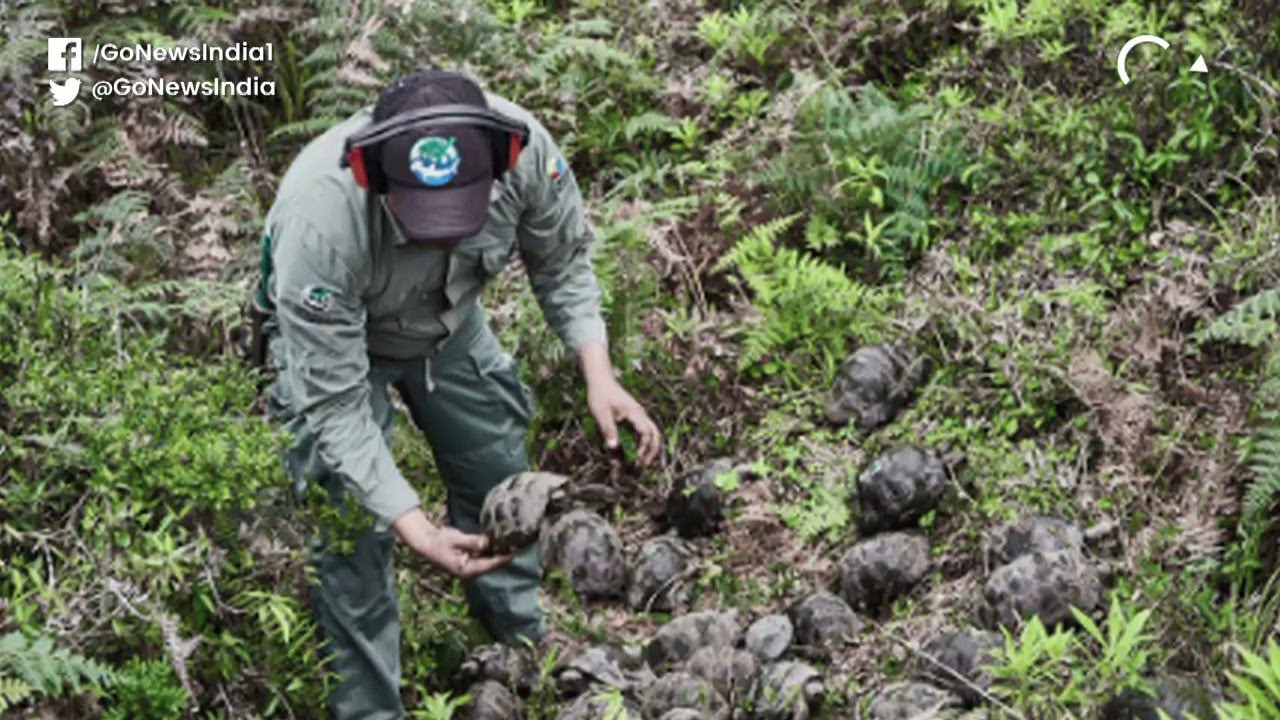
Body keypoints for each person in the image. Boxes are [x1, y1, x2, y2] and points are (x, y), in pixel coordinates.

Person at [252, 67, 661, 720]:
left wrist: (598, 372)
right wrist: (414, 525)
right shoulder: (320, 220)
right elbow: (332, 403)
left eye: (457, 217)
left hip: (450, 323)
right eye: (421, 218)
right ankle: (369, 710)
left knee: (498, 465)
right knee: (352, 527)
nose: (440, 234)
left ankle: (518, 647)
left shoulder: (524, 151)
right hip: (340, 350)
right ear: (373, 177)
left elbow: (561, 260)